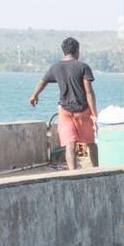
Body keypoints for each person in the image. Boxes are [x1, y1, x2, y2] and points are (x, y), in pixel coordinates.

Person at [29, 37, 98, 170]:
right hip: (83, 110)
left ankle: (73, 173)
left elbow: (43, 81)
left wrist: (34, 95)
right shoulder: (83, 67)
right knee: (90, 143)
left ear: (64, 51)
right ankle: (96, 169)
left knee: (70, 144)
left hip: (65, 111)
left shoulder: (56, 67)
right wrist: (94, 115)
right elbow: (89, 92)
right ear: (77, 50)